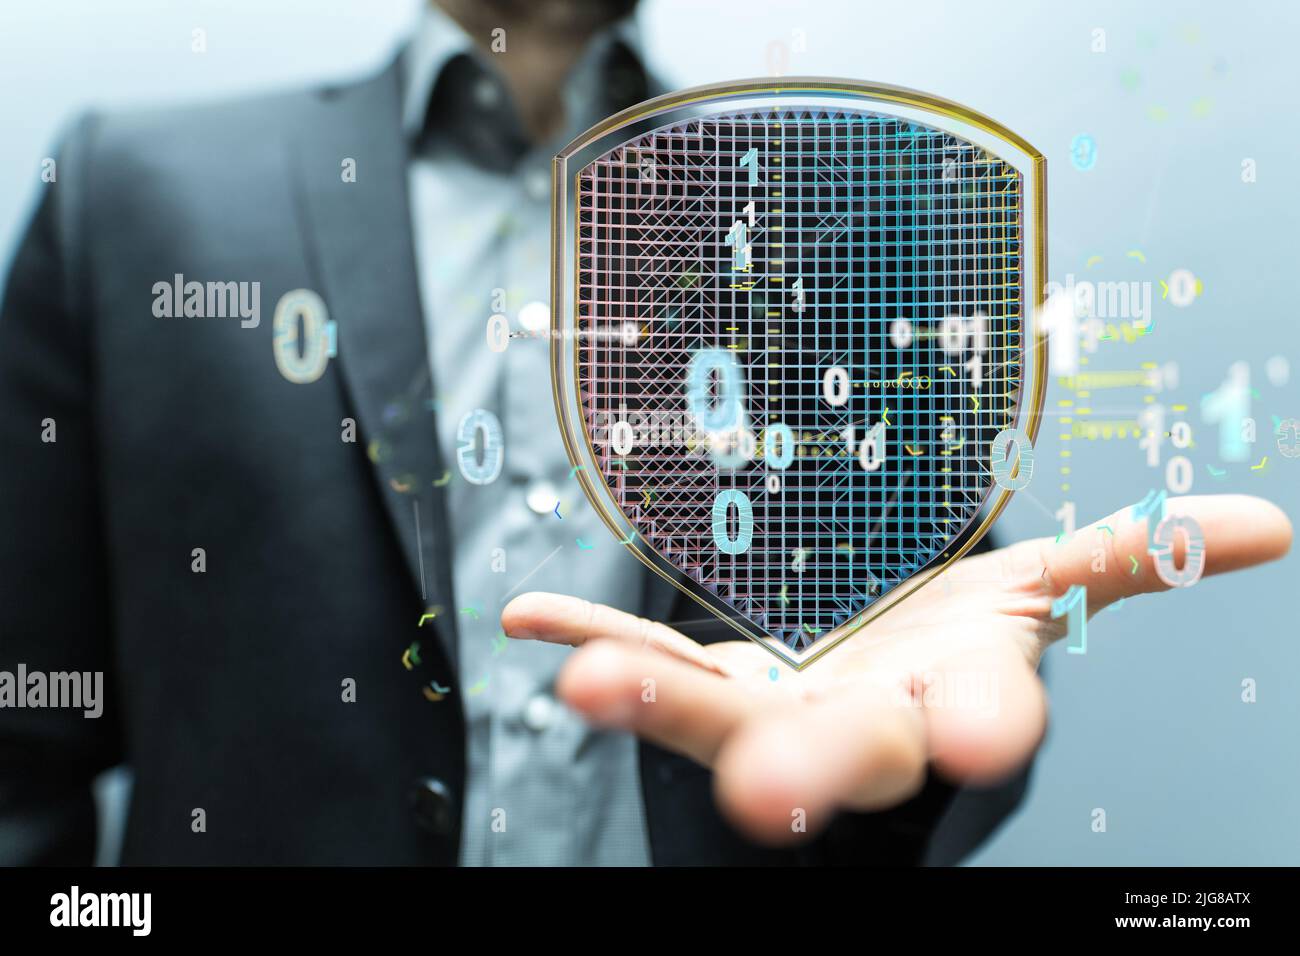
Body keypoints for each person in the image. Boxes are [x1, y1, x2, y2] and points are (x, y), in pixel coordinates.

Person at [0, 0, 1290, 867]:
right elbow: (23, 740)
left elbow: (942, 648)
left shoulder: (833, 193)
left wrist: (875, 779)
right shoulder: (137, 187)